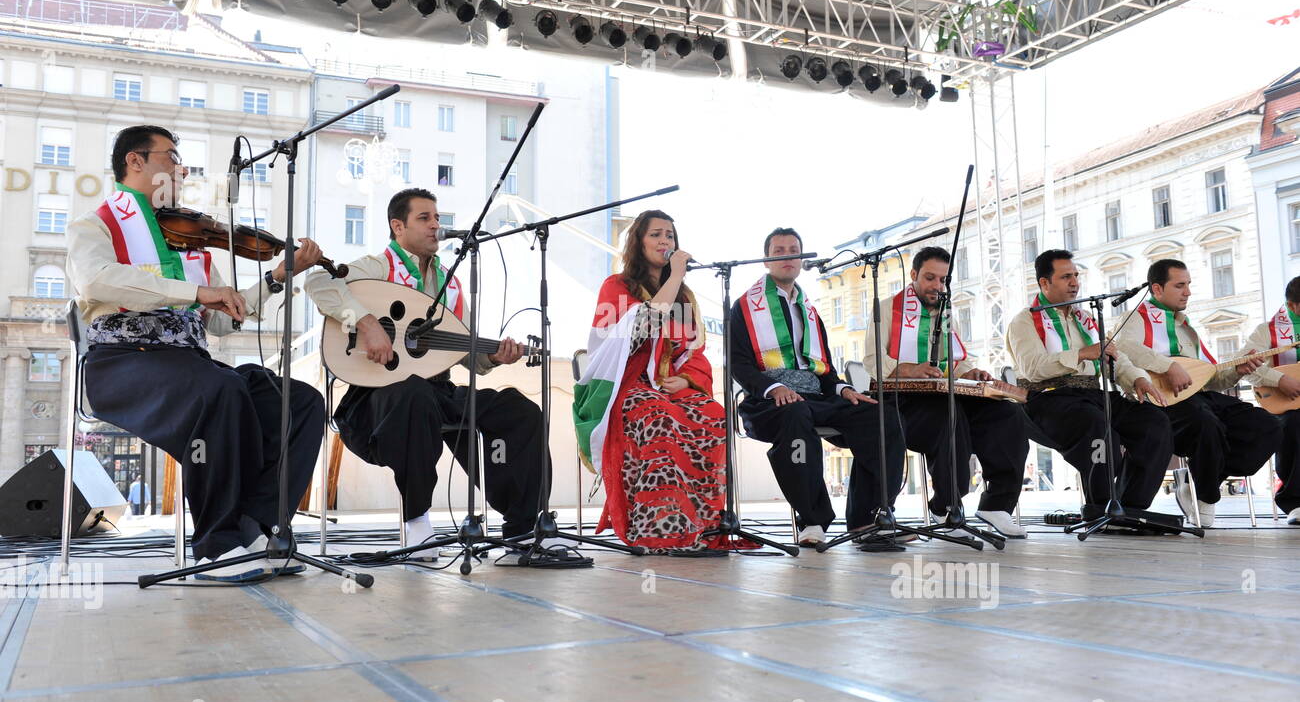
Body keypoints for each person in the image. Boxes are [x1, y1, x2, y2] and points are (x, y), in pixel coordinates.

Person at [67, 125, 326, 581]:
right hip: (123, 363)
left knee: (299, 400)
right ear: (135, 162)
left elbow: (223, 321)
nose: (179, 168)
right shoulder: (93, 226)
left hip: (188, 363)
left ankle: (257, 526)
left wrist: (278, 277)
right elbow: (96, 281)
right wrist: (197, 292)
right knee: (219, 389)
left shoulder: (189, 241)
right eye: (170, 157)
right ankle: (216, 542)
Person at [303, 188, 565, 563]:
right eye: (424, 218)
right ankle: (417, 522)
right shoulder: (379, 267)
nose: (435, 226)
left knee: (518, 410)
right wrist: (366, 323)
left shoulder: (452, 284)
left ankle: (522, 530)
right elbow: (319, 284)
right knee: (413, 393)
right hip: (376, 397)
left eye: (437, 218)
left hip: (438, 390)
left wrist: (494, 357)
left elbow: (466, 355)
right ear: (398, 226)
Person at [573, 210, 743, 553]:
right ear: (639, 241)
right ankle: (658, 527)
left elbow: (694, 350)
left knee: (713, 415)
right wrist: (675, 275)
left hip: (671, 387)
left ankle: (703, 526)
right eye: (656, 234)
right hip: (627, 386)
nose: (665, 241)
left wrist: (687, 380)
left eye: (670, 235)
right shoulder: (617, 286)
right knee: (656, 418)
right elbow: (640, 327)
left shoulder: (684, 298)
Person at [729, 227, 904, 549]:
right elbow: (738, 364)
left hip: (817, 396)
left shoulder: (809, 309)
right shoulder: (744, 307)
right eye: (778, 250)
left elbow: (824, 368)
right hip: (766, 400)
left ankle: (870, 517)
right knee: (794, 414)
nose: (787, 256)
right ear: (767, 259)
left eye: (793, 250)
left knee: (881, 417)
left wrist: (843, 390)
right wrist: (775, 388)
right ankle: (812, 519)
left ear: (801, 258)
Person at [864, 246, 1030, 539]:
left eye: (942, 280)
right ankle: (947, 507)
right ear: (913, 275)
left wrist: (969, 372)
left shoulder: (945, 311)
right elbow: (872, 361)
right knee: (948, 417)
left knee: (1007, 415)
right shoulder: (887, 308)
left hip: (943, 393)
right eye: (930, 278)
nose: (937, 286)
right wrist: (911, 369)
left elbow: (954, 358)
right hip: (902, 400)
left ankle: (997, 505)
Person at [1115, 259, 1278, 527]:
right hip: (1161, 401)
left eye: (1188, 284)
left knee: (1266, 426)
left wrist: (1237, 370)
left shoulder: (1185, 325)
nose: (1188, 291)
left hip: (1199, 397)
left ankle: (1200, 483)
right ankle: (1206, 496)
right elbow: (1121, 346)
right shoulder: (1135, 318)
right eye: (1179, 285)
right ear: (1156, 288)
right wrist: (1168, 366)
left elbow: (1208, 377)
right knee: (1206, 424)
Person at [1007, 250, 1173, 513]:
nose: (1074, 282)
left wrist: (1137, 379)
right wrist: (1083, 353)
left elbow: (1113, 356)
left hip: (1092, 395)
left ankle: (1130, 508)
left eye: (1075, 275)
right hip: (1048, 398)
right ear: (1044, 283)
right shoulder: (1024, 321)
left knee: (1155, 423)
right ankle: (1100, 507)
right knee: (1097, 426)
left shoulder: (1085, 318)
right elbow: (1033, 368)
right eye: (1065, 277)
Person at [1238, 275, 1300, 524]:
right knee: (1295, 424)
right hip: (1286, 406)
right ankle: (1295, 501)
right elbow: (1245, 363)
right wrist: (1279, 380)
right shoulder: (1267, 331)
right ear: (1293, 305)